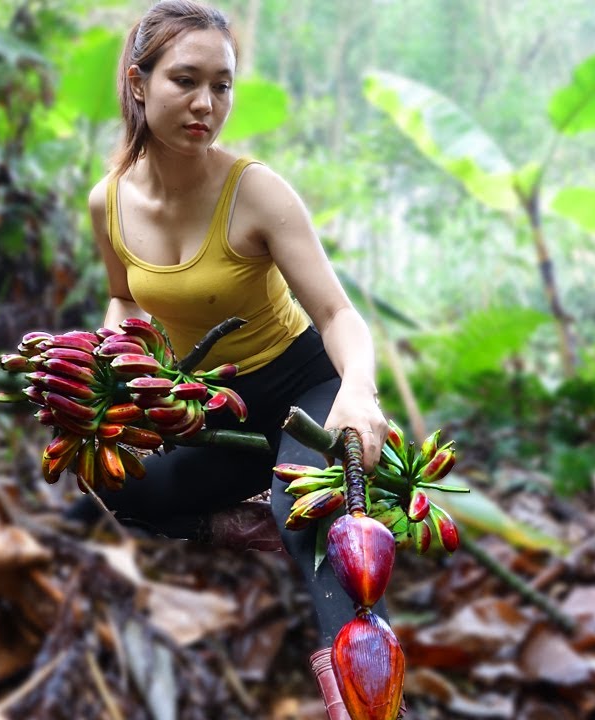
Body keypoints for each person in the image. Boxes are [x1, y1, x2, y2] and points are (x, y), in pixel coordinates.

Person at [67, 2, 389, 717]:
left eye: (223, 84)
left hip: (306, 384)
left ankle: (369, 704)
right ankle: (250, 516)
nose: (207, 104)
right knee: (115, 481)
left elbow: (339, 316)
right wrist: (109, 357)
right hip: (214, 404)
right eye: (186, 79)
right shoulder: (108, 202)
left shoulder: (257, 191)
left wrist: (359, 392)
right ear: (138, 83)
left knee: (315, 529)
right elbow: (124, 300)